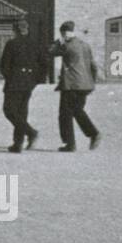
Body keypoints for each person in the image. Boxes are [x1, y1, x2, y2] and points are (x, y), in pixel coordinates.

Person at [49, 21, 102, 151]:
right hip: (85, 84)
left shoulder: (66, 46)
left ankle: (73, 142)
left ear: (63, 33)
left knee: (65, 114)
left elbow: (51, 51)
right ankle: (90, 135)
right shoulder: (85, 45)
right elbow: (93, 66)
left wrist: (58, 41)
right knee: (77, 110)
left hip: (71, 84)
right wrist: (92, 83)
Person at [0, 19, 46, 152]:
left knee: (9, 110)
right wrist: (35, 80)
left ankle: (30, 133)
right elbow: (44, 64)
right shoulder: (36, 44)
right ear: (27, 30)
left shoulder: (11, 44)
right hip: (29, 83)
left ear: (15, 31)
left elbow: (4, 65)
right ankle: (18, 143)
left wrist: (9, 77)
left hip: (14, 81)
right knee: (21, 112)